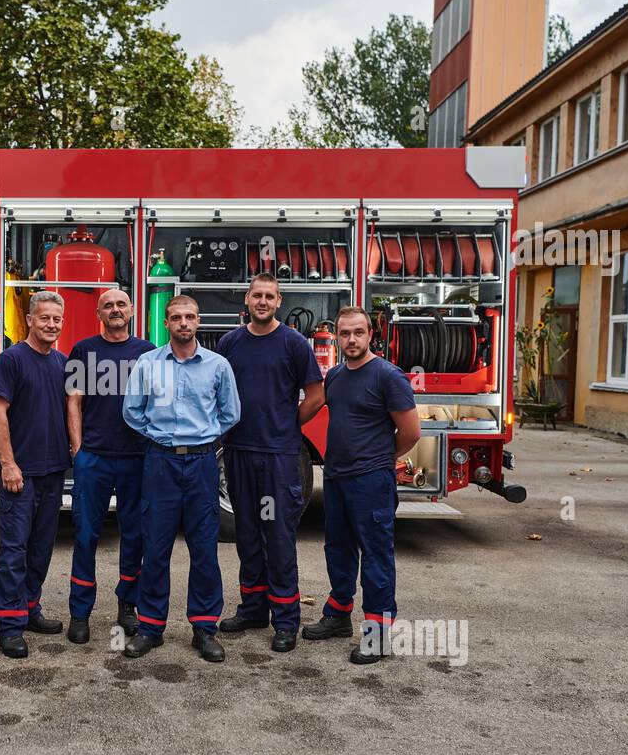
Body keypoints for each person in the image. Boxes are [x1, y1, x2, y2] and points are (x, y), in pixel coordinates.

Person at [121, 295, 240, 663]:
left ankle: (204, 628)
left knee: (204, 548)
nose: (183, 323)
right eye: (176, 318)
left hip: (202, 463)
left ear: (198, 321)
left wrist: (203, 435)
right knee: (155, 547)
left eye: (189, 317)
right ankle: (151, 627)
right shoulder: (148, 363)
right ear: (166, 323)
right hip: (160, 464)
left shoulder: (218, 366)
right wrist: (162, 438)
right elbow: (132, 411)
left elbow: (230, 413)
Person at [302, 306, 420, 664]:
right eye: (344, 333)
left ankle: (379, 634)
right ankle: (338, 614)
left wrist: (380, 459)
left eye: (358, 332)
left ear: (370, 334)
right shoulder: (335, 375)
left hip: (371, 481)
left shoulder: (388, 376)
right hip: (337, 477)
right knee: (338, 548)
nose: (351, 339)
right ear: (337, 338)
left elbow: (411, 432)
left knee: (375, 554)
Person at [216, 274, 324, 653]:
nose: (262, 301)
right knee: (246, 534)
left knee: (277, 536)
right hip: (238, 453)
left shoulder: (293, 343)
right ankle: (252, 609)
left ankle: (286, 620)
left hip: (277, 458)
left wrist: (287, 425)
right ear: (246, 300)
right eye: (256, 295)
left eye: (269, 296)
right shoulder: (230, 343)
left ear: (278, 301)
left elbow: (315, 394)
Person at [64, 289, 155, 644]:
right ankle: (80, 612)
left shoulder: (147, 353)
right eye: (108, 305)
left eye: (121, 304)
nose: (115, 309)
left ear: (131, 310)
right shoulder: (82, 351)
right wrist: (78, 450)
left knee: (135, 535)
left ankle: (126, 607)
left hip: (136, 459)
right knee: (86, 535)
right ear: (98, 312)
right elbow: (73, 401)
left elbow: (155, 404)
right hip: (95, 459)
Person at [0, 291, 70, 659]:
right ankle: (9, 623)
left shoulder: (62, 363)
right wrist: (8, 464)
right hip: (20, 474)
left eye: (57, 319)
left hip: (52, 472)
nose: (51, 324)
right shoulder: (11, 360)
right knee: (14, 549)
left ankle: (29, 607)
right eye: (44, 318)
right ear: (31, 320)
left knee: (41, 547)